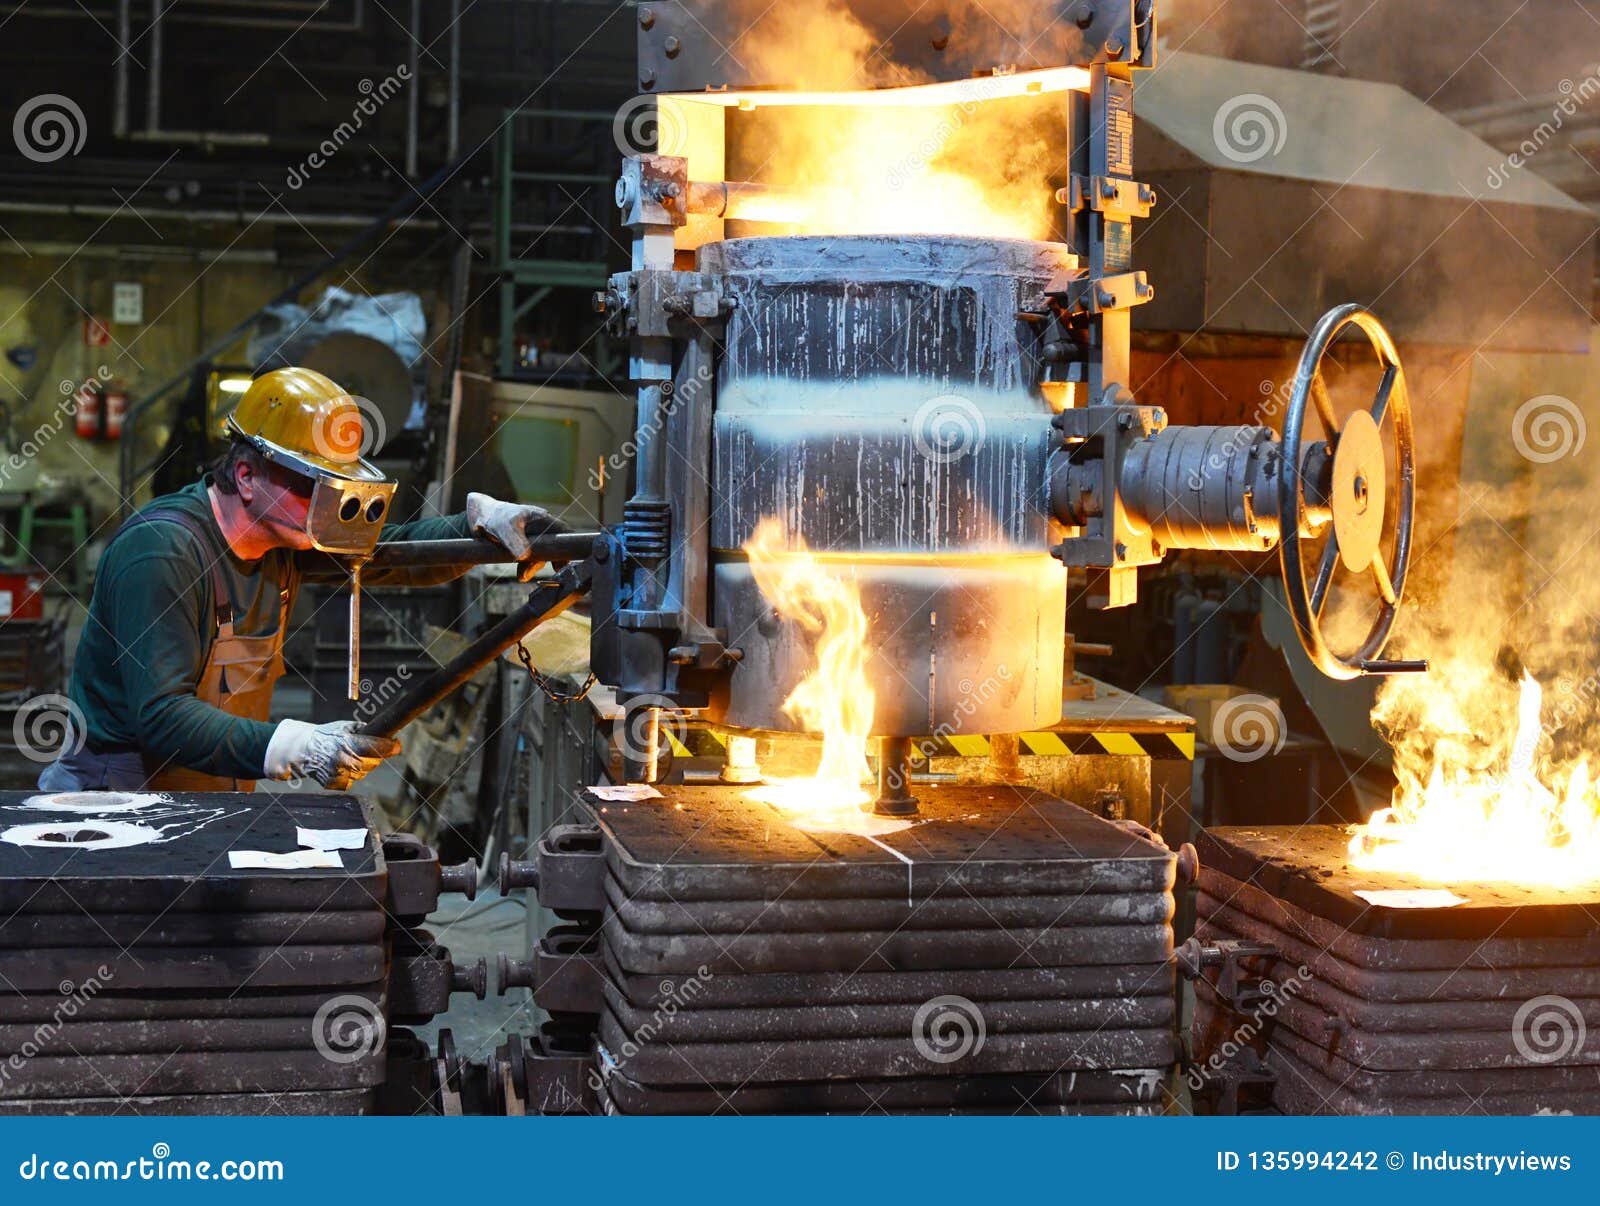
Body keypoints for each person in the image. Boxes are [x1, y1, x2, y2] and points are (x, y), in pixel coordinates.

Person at [39, 367, 557, 792]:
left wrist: (475, 529)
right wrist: (298, 746)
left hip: (210, 784)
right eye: (311, 485)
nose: (327, 506)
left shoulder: (283, 540)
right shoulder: (162, 552)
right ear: (246, 476)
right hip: (117, 795)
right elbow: (162, 716)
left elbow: (389, 554)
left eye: (336, 486)